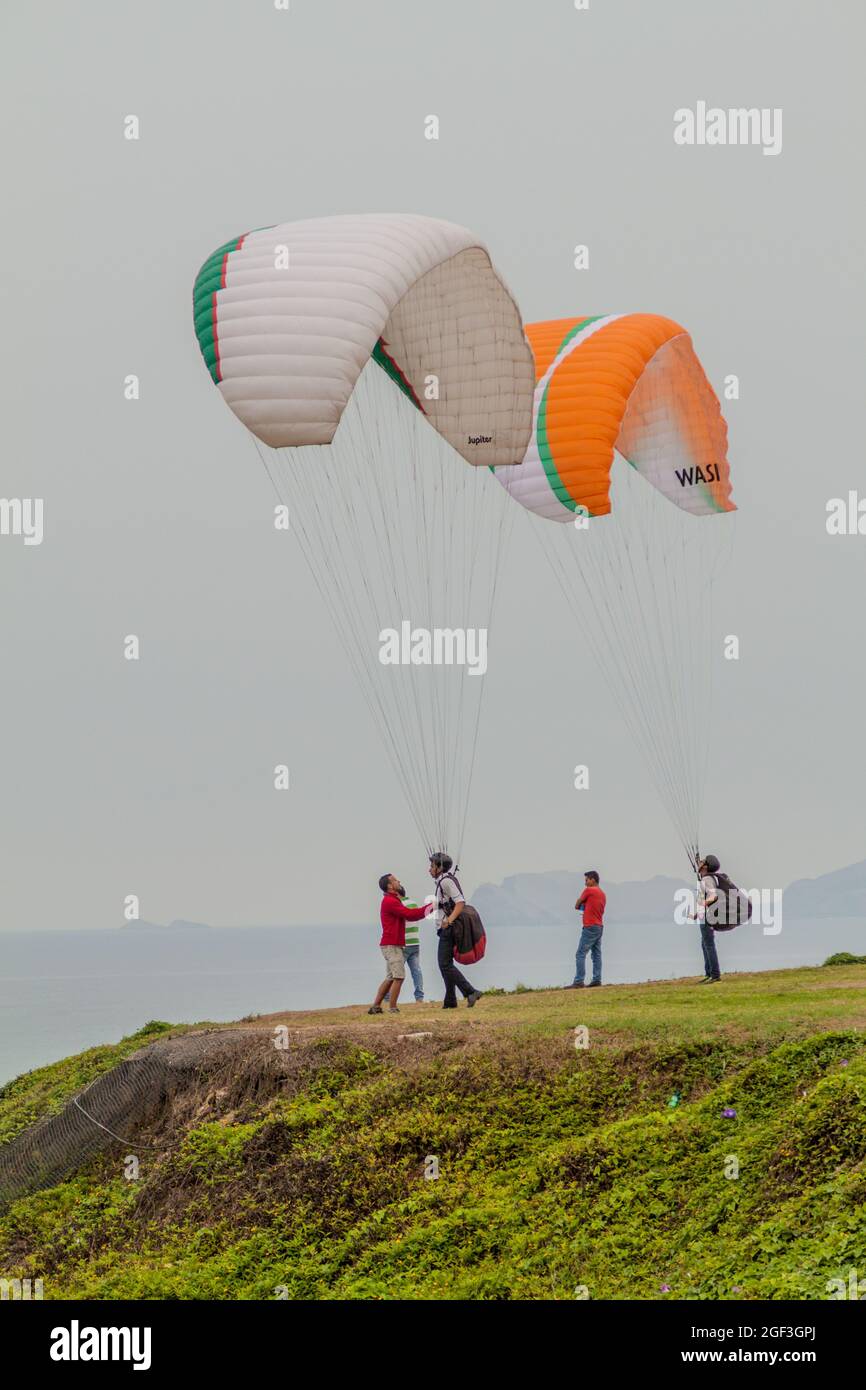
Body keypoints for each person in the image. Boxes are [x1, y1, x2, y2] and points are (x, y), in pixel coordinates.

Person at [368, 874, 430, 1015]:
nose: (399, 881)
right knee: (399, 977)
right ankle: (392, 1008)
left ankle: (376, 1006)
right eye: (395, 880)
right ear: (390, 886)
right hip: (392, 945)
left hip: (392, 944)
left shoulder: (391, 900)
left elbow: (410, 914)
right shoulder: (390, 901)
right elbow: (411, 915)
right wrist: (431, 907)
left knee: (391, 977)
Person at [428, 852, 482, 1009]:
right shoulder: (443, 881)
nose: (429, 869)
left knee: (444, 964)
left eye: (432, 866)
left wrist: (448, 921)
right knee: (446, 964)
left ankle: (470, 991)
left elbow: (460, 902)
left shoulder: (446, 882)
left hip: (449, 928)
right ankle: (450, 1000)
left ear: (439, 868)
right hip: (446, 928)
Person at [568, 870, 606, 988]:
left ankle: (578, 981)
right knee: (596, 955)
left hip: (590, 926)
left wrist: (581, 903)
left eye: (586, 880)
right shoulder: (602, 893)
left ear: (593, 880)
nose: (585, 883)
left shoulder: (589, 890)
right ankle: (597, 979)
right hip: (599, 926)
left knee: (580, 954)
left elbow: (577, 905)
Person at [693, 853, 723, 983]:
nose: (700, 862)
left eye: (702, 861)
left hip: (708, 916)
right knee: (705, 943)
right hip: (705, 915)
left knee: (709, 944)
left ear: (705, 866)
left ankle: (715, 975)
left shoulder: (707, 880)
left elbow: (713, 896)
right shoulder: (706, 879)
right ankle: (709, 973)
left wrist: (704, 904)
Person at [398, 887, 425, 1001]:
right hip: (415, 942)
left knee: (395, 971)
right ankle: (419, 997)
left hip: (404, 943)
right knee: (416, 971)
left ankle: (388, 997)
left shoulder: (400, 905)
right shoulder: (414, 904)